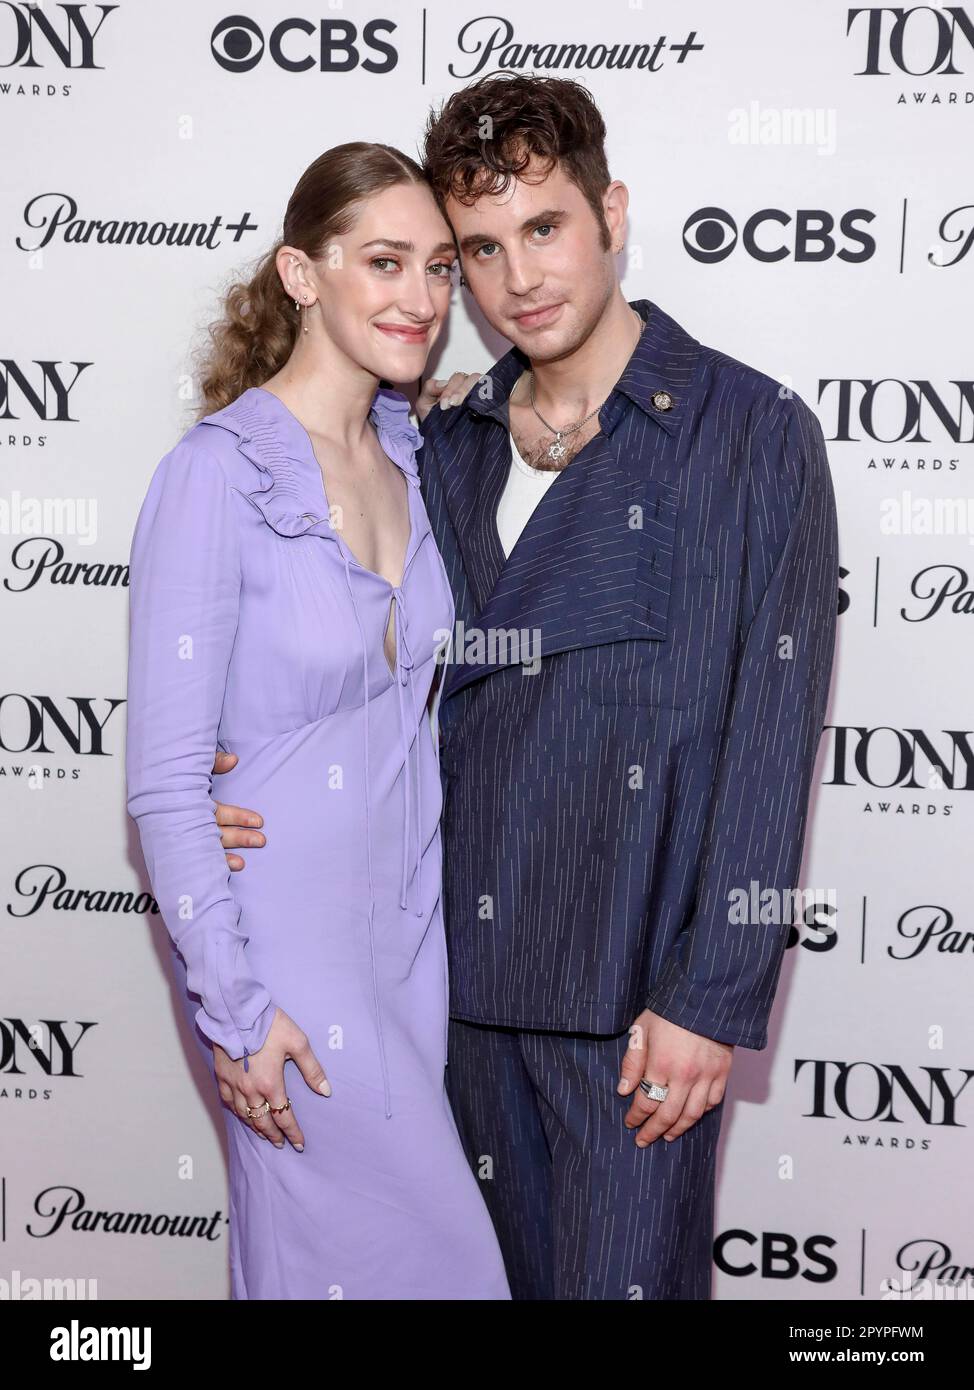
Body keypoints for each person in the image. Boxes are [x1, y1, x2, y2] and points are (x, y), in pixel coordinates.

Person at [213, 74, 840, 1300]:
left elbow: (772, 732)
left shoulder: (746, 433)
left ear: (611, 212)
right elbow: (353, 669)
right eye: (480, 252)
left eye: (544, 229)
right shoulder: (438, 440)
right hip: (434, 996)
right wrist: (244, 788)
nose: (516, 281)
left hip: (630, 1018)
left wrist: (709, 996)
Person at [125, 142, 511, 1301]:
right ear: (302, 274)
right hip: (280, 963)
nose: (421, 299)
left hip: (407, 945)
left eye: (440, 268)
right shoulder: (215, 477)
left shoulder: (416, 453)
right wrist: (236, 1015)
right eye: (383, 262)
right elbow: (162, 784)